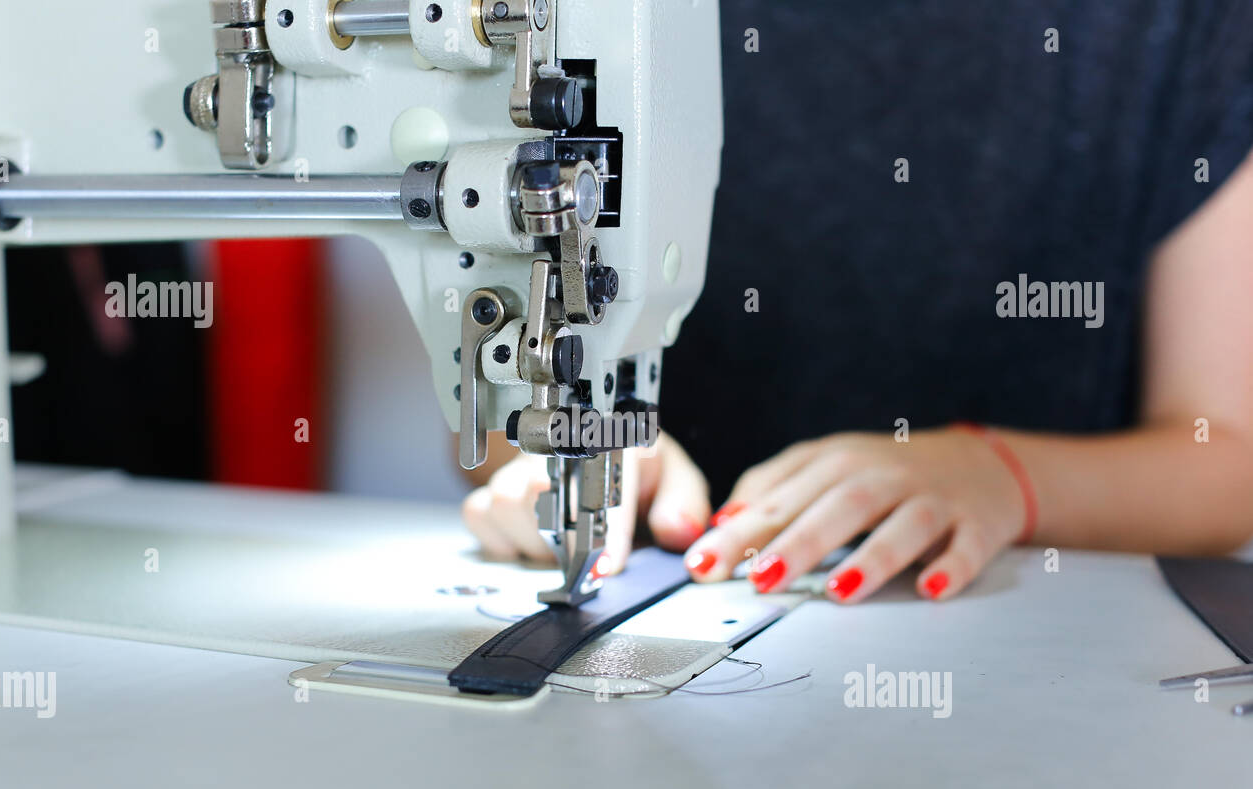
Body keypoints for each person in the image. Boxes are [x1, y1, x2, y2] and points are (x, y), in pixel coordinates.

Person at [461, 0, 1253, 603]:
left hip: (1038, 646)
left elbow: (1225, 457)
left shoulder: (1176, 26)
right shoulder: (597, 19)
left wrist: (1003, 478)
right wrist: (557, 440)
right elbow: (500, 338)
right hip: (682, 566)